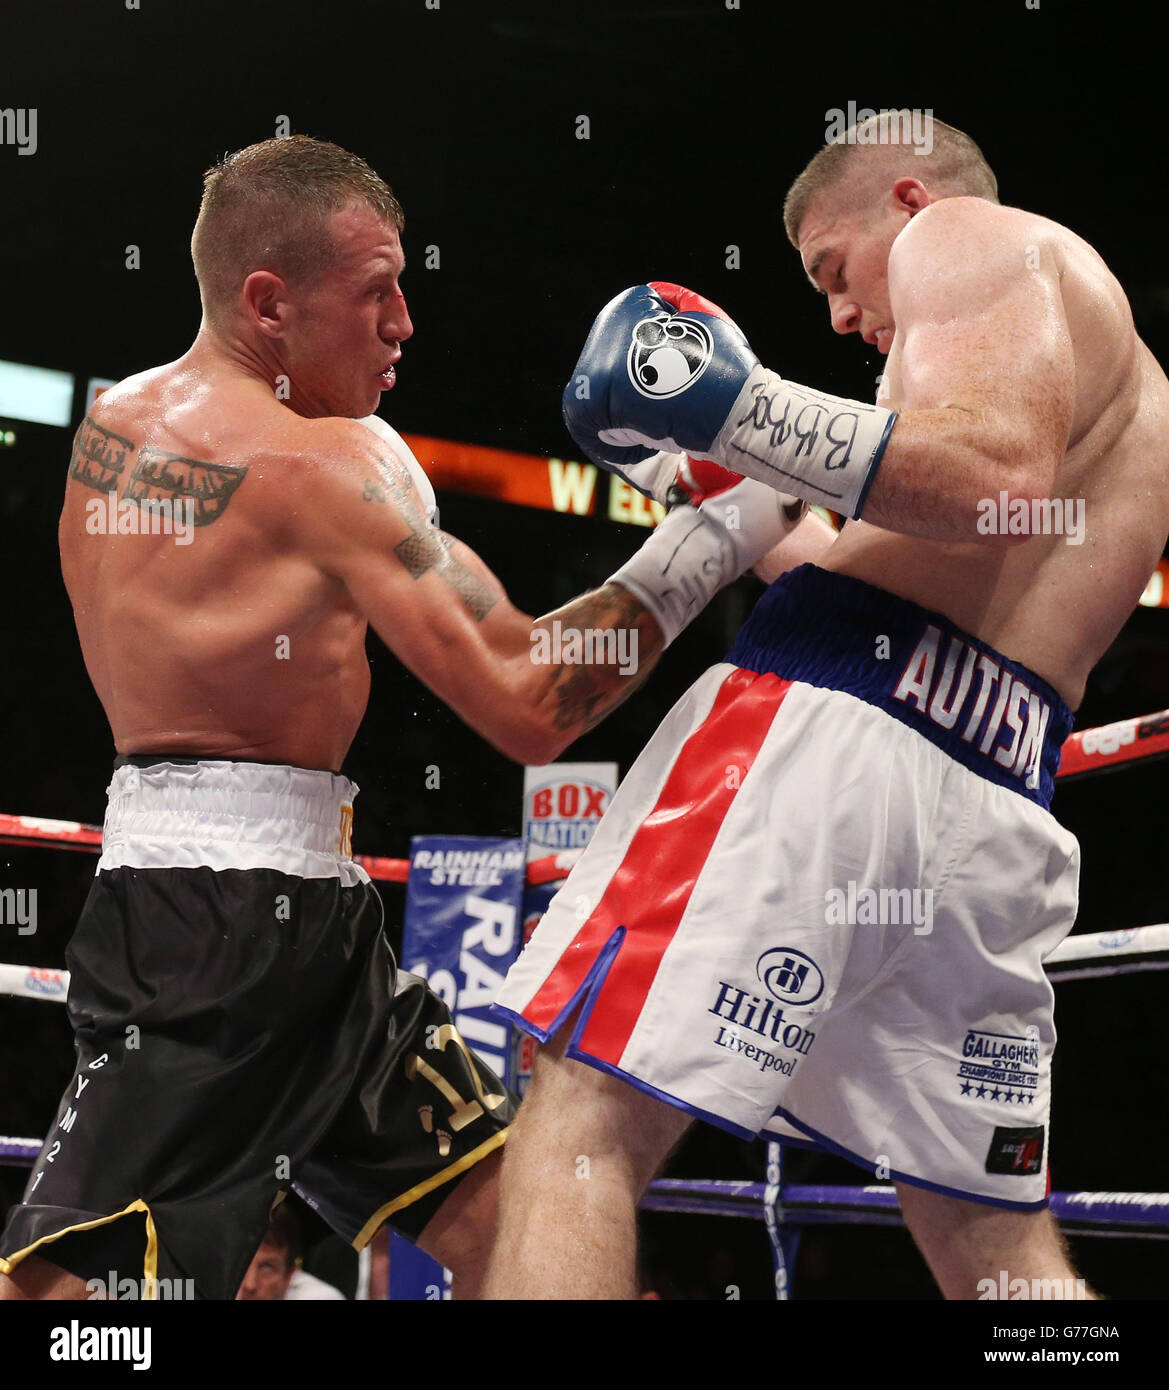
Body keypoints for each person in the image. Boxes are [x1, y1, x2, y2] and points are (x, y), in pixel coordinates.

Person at [0, 135, 803, 1301]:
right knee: (75, 1306)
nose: (405, 323)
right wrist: (718, 530)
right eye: (375, 290)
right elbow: (532, 697)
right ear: (268, 303)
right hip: (217, 939)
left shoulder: (112, 427)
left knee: (511, 1226)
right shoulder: (328, 467)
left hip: (273, 916)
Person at [485, 113, 1169, 1299]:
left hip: (825, 741)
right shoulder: (1138, 395)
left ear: (903, 201)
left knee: (578, 1110)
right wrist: (728, 490)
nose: (842, 317)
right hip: (992, 793)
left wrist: (731, 407)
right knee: (993, 1245)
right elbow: (923, 564)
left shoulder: (962, 234)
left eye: (830, 269)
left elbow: (984, 479)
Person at [236, 1205, 345, 1301]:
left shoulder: (320, 1297)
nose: (250, 1285)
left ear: (290, 1273)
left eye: (267, 1268)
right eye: (241, 1266)